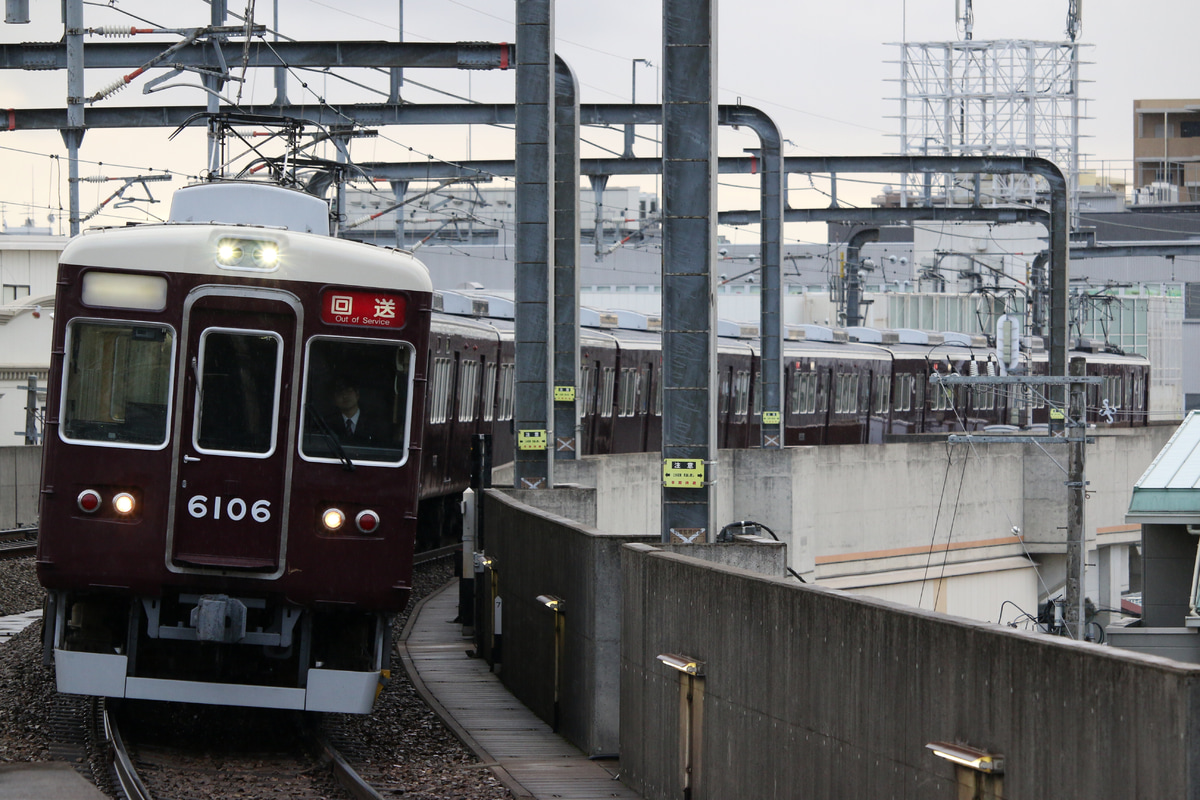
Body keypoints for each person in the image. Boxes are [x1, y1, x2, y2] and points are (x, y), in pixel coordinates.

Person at [326, 375, 384, 445]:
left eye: (348, 391)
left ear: (357, 394)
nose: (345, 396)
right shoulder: (328, 424)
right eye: (340, 393)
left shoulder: (374, 423)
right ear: (334, 400)